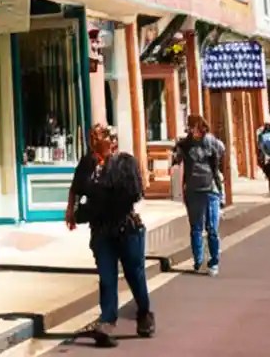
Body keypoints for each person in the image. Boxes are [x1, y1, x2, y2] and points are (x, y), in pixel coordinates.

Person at [66, 124, 154, 347]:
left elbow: (133, 193)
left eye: (100, 137)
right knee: (107, 278)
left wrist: (98, 200)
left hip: (126, 229)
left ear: (111, 142)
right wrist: (71, 210)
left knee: (135, 275)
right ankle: (106, 324)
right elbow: (76, 188)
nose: (95, 141)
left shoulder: (125, 163)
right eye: (92, 137)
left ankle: (144, 314)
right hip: (101, 231)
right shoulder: (87, 164)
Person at [172, 114, 225, 276]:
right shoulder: (185, 144)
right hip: (193, 191)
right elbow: (176, 159)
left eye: (193, 126)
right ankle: (198, 260)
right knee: (196, 228)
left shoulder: (210, 141)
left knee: (212, 229)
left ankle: (214, 261)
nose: (191, 129)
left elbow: (221, 151)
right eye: (189, 126)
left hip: (211, 190)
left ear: (200, 126)